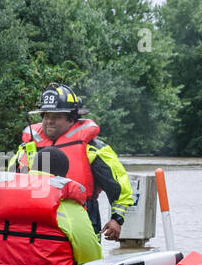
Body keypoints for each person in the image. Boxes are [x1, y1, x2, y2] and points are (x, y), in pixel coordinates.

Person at [9, 83, 133, 239]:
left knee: (84, 263)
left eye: (57, 116)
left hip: (81, 221)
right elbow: (9, 185)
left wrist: (116, 219)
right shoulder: (26, 148)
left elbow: (119, 186)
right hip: (34, 222)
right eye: (46, 115)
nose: (49, 121)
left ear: (72, 119)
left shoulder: (93, 149)